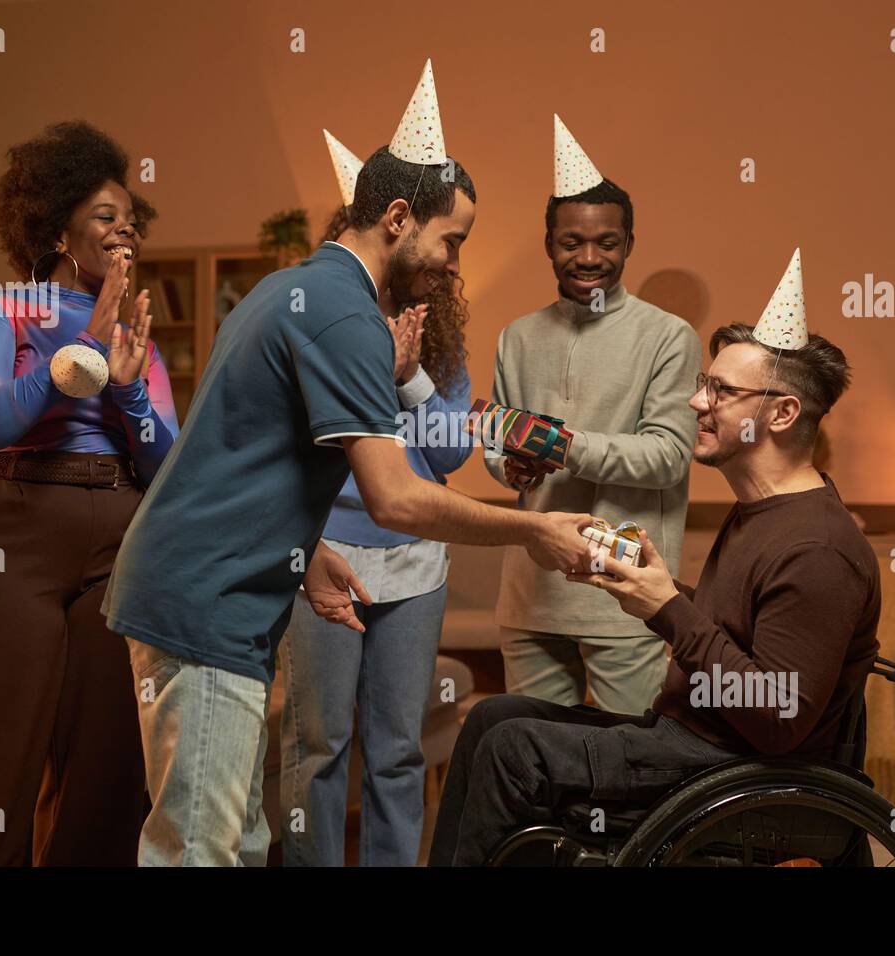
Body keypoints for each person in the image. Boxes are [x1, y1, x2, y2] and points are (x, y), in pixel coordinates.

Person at [100, 61, 593, 866]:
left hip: (217, 595)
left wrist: (309, 554)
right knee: (198, 851)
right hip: (205, 606)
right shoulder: (344, 315)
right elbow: (396, 497)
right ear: (399, 216)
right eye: (451, 239)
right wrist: (530, 532)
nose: (453, 261)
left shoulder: (298, 291)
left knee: (238, 842)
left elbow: (243, 459)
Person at [429, 249, 881, 866]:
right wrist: (650, 588)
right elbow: (738, 640)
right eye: (704, 384)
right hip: (695, 743)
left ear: (781, 413)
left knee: (515, 750)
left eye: (721, 390)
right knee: (493, 719)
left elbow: (777, 716)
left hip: (743, 776)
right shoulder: (764, 513)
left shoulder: (818, 548)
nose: (697, 402)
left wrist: (669, 609)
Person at [0, 121, 178, 866]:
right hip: (11, 530)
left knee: (108, 765)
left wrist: (130, 393)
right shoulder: (2, 309)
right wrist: (83, 344)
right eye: (104, 217)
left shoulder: (138, 333)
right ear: (59, 230)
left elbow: (164, 463)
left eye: (130, 219)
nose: (124, 230)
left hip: (118, 536)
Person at [278, 130, 474, 867]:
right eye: (447, 239)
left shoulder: (440, 331)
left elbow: (452, 451)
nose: (446, 261)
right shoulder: (319, 314)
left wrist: (408, 376)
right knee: (317, 744)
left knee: (397, 749)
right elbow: (297, 440)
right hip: (327, 555)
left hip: (417, 563)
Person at [487, 116, 702, 714]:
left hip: (624, 589)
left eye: (606, 242)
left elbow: (667, 457)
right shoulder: (516, 337)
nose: (589, 258)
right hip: (530, 593)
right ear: (548, 243)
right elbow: (495, 444)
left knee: (624, 767)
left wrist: (558, 443)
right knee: (533, 769)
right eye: (570, 242)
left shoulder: (670, 337)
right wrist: (512, 466)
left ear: (629, 243)